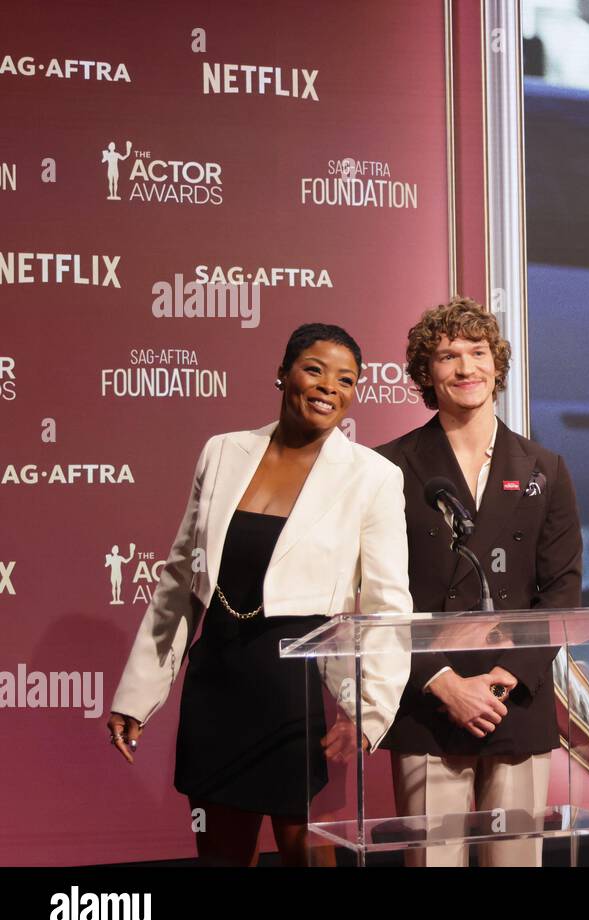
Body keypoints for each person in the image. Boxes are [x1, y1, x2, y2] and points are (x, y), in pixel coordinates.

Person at [106, 323, 413, 864]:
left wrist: (368, 713)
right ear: (283, 373)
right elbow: (181, 580)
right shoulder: (223, 453)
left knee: (309, 854)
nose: (328, 388)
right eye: (314, 369)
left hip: (304, 694)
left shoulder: (373, 478)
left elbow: (388, 607)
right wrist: (137, 694)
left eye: (346, 380)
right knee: (222, 854)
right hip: (220, 683)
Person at [377, 296, 582, 866]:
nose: (465, 367)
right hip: (427, 701)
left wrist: (505, 676)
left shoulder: (545, 468)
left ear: (498, 365)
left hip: (514, 700)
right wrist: (442, 682)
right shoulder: (386, 467)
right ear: (425, 374)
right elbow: (374, 596)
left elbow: (562, 589)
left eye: (477, 352)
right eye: (448, 356)